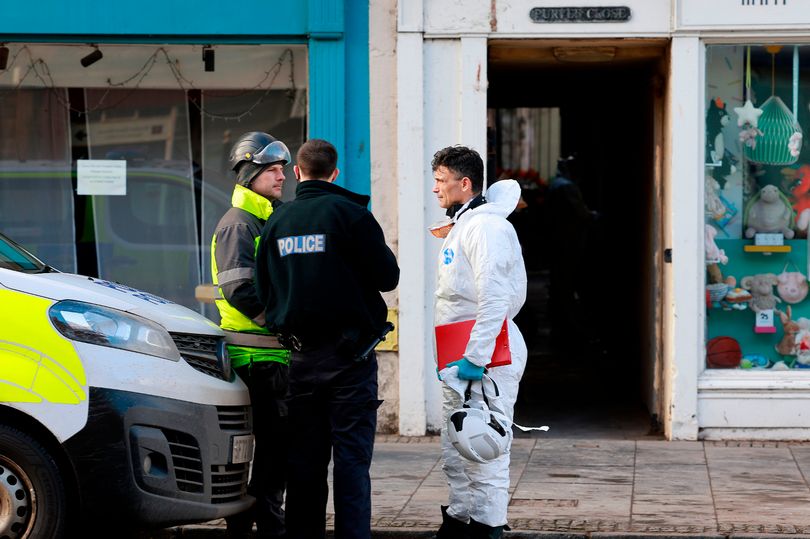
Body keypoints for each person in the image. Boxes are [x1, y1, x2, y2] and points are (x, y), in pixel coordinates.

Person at [255, 138, 399, 539]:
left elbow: (263, 292)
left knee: (305, 466)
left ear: (298, 173)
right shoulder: (351, 215)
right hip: (350, 360)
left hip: (299, 361)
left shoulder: (277, 223)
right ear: (335, 173)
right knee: (352, 464)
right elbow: (389, 277)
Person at [431, 145, 527, 539]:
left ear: (464, 183)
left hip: (486, 355)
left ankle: (489, 526)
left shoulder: (487, 228)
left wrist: (475, 356)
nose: (436, 189)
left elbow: (495, 298)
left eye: (441, 181)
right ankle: (460, 518)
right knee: (456, 442)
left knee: (484, 441)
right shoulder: (468, 225)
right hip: (462, 353)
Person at [211, 131, 292, 539]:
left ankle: (256, 523)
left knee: (274, 453)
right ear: (251, 173)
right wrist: (280, 321)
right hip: (254, 360)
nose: (282, 177)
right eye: (273, 170)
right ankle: (258, 526)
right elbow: (239, 288)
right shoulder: (238, 225)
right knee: (267, 452)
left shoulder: (265, 218)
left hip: (270, 358)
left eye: (282, 170)